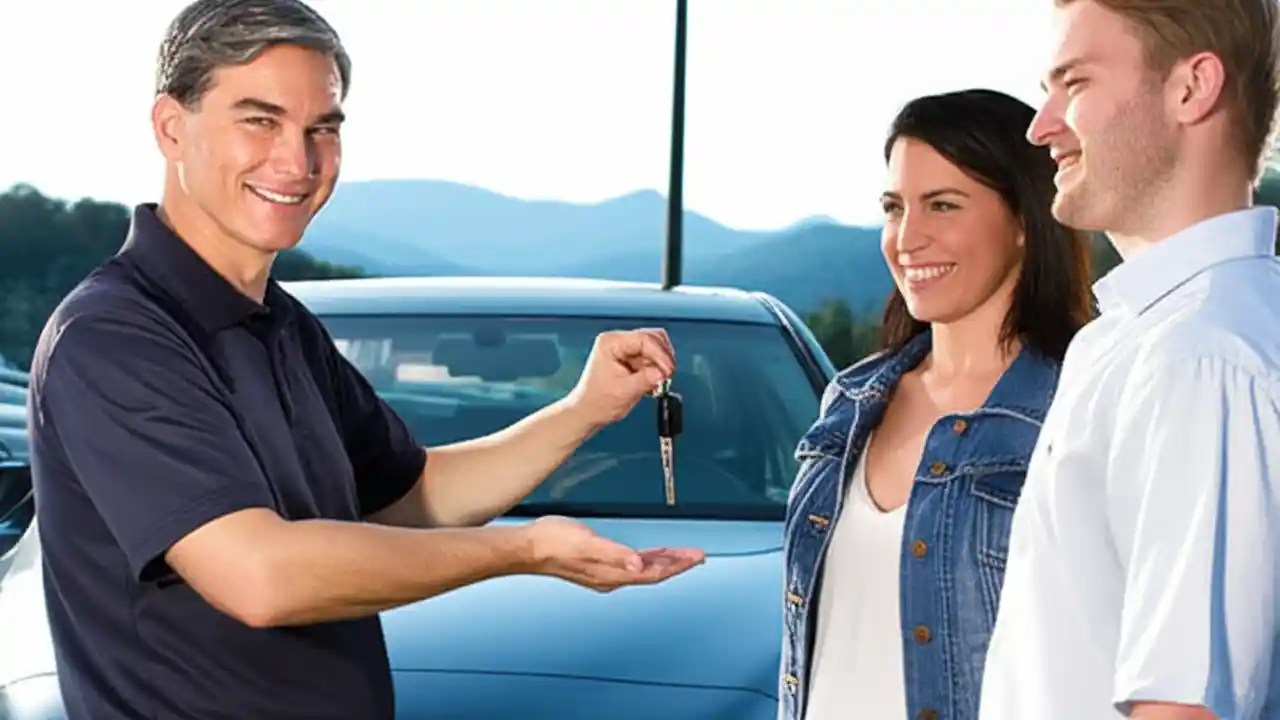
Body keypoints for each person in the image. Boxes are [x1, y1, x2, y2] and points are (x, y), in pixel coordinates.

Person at [25, 0, 705, 718]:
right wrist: (523, 553)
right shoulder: (114, 338)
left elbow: (416, 498)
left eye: (323, 127)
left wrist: (582, 409)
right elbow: (261, 578)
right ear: (171, 126)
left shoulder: (283, 327)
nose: (299, 161)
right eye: (260, 120)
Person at [978, 1, 1280, 718]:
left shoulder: (1200, 357)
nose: (1040, 126)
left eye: (1074, 83)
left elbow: (1184, 706)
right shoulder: (1131, 341)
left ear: (1191, 88)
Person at [777, 88, 1094, 720]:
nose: (907, 238)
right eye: (895, 207)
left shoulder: (1080, 410)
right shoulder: (850, 399)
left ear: (1026, 222)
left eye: (943, 206)